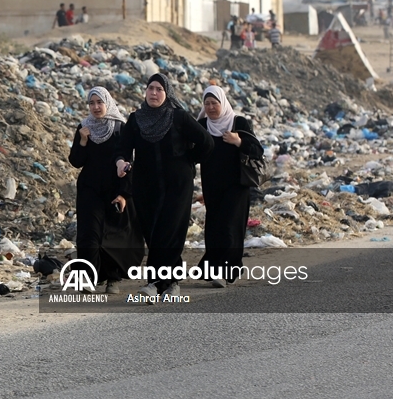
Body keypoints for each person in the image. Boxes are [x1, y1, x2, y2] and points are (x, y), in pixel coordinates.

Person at [114, 74, 213, 296]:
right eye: (151, 88)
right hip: (145, 185)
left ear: (166, 93)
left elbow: (206, 142)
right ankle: (172, 282)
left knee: (168, 232)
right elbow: (123, 148)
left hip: (177, 184)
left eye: (159, 89)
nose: (154, 93)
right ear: (145, 91)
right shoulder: (136, 119)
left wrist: (188, 160)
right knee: (152, 232)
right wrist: (122, 162)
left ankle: (155, 284)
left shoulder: (178, 117)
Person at [67, 87, 144, 290]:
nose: (95, 107)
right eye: (91, 103)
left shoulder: (120, 128)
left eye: (99, 102)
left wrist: (125, 193)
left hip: (114, 188)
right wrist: (83, 141)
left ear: (107, 103)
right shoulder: (84, 127)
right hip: (89, 189)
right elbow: (76, 161)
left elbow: (128, 162)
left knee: (113, 233)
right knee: (89, 233)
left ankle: (113, 277)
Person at [196, 86, 264, 287]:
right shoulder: (202, 125)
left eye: (214, 103)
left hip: (237, 185)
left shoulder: (238, 122)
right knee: (214, 228)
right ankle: (216, 267)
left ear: (222, 103)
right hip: (212, 185)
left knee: (230, 227)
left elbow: (257, 150)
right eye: (207, 104)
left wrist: (238, 141)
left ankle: (225, 272)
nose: (210, 107)